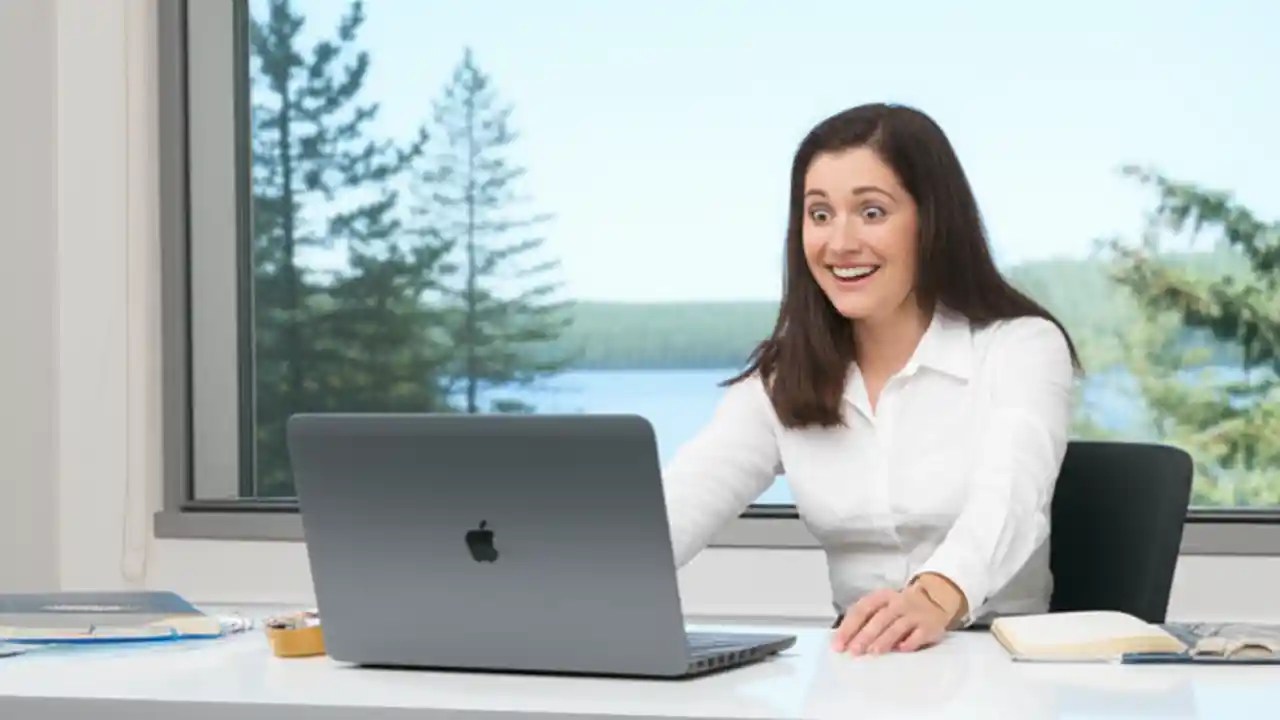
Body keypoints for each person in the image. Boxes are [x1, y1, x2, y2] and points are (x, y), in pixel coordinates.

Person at [660, 102, 1081, 657]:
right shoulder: (784, 377)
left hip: (998, 662)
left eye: (872, 212)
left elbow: (1012, 498)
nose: (839, 243)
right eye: (819, 214)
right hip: (859, 668)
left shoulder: (1020, 346)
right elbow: (683, 501)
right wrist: (574, 580)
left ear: (932, 221)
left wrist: (934, 597)